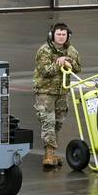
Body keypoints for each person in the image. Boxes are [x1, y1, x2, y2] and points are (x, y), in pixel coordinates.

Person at [33, 22, 82, 169]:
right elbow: (44, 71)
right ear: (52, 35)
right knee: (48, 122)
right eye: (58, 34)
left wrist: (69, 61)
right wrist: (59, 63)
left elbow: (78, 68)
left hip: (62, 92)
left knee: (58, 123)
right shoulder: (45, 50)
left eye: (64, 34)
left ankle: (52, 152)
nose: (61, 37)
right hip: (45, 92)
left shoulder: (71, 50)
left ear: (68, 36)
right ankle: (48, 154)